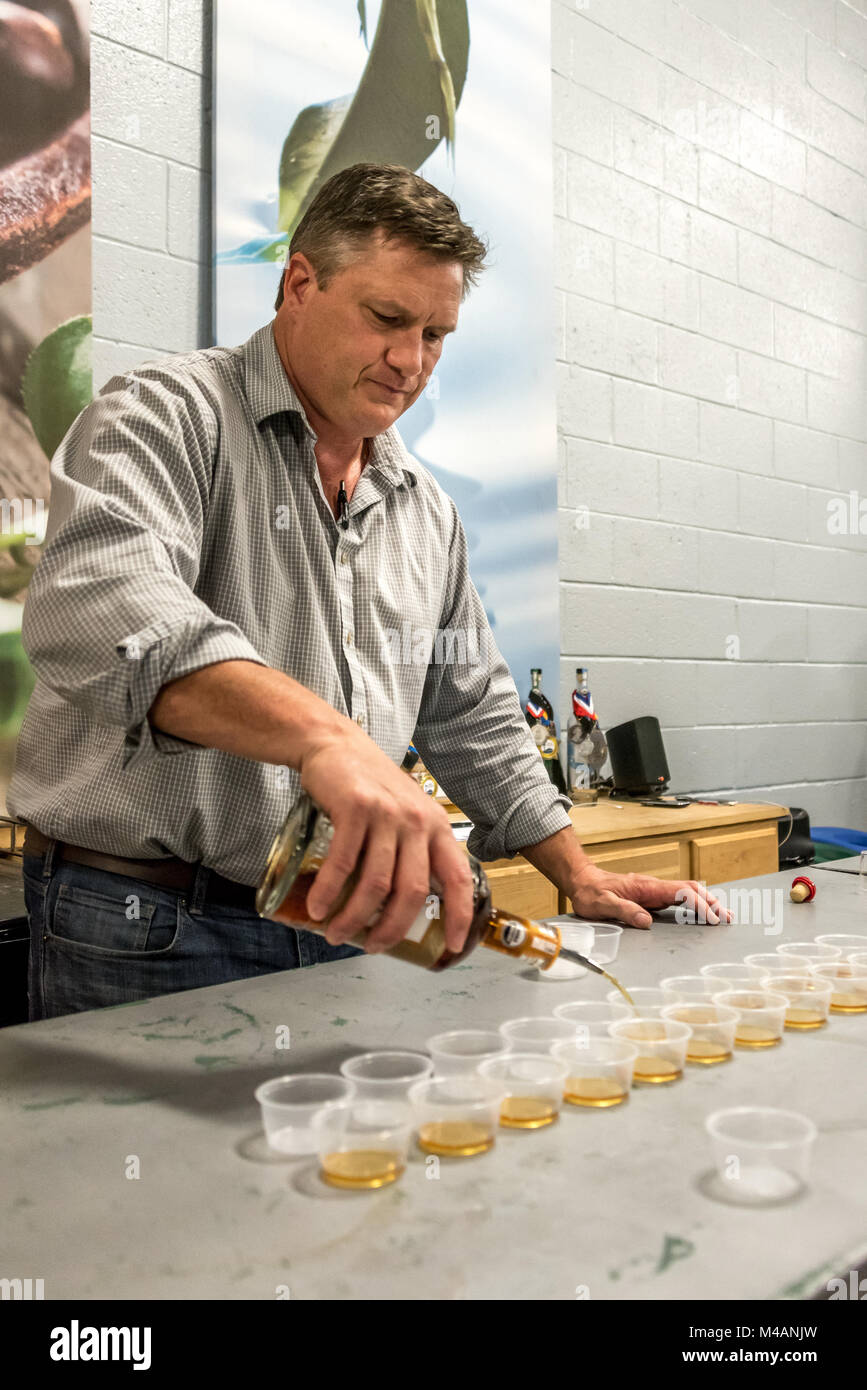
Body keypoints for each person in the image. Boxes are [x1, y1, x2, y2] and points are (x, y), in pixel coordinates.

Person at [9, 162, 727, 1020]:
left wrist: (576, 873)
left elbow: (468, 711)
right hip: (143, 923)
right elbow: (103, 611)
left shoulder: (425, 509)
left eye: (434, 334)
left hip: (333, 923)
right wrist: (328, 742)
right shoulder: (163, 416)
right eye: (387, 319)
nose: (409, 361)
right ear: (300, 283)